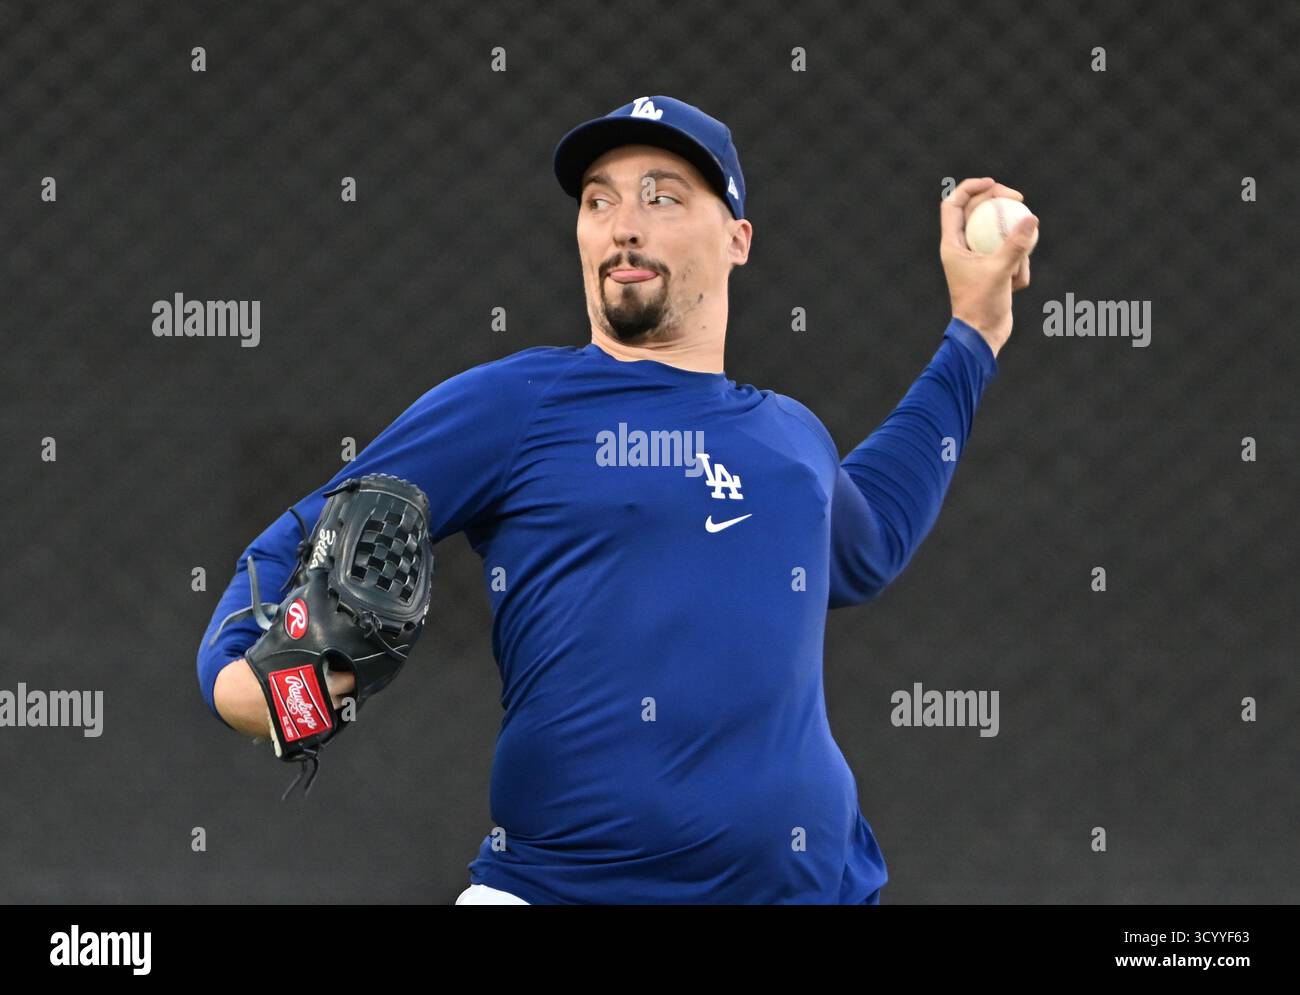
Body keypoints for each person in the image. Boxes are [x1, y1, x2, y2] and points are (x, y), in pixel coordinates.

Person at [197, 94, 1037, 905]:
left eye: (662, 196)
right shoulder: (520, 404)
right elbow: (300, 539)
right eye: (599, 201)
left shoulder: (791, 438)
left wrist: (976, 333)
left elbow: (872, 539)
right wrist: (239, 678)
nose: (623, 222)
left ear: (739, 238)